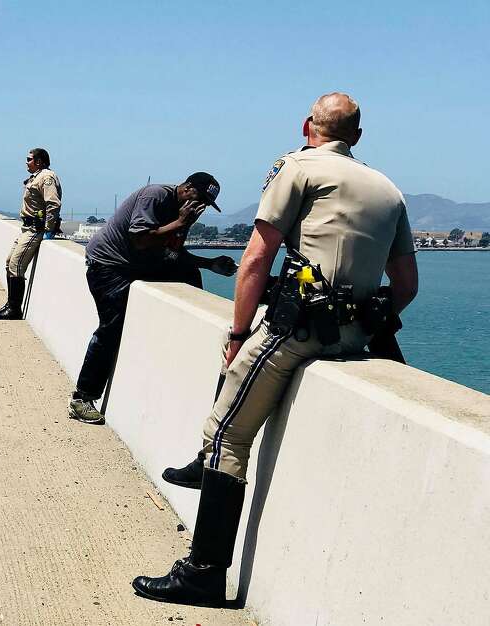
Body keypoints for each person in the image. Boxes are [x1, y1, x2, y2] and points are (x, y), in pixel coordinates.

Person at [132, 93, 419, 607]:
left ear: (307, 126)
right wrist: (355, 323)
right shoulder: (389, 189)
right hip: (353, 338)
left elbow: (256, 258)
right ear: (356, 136)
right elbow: (406, 285)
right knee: (230, 416)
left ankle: (202, 573)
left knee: (225, 434)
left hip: (296, 332)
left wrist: (238, 333)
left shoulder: (297, 168)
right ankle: (203, 479)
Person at [68, 174, 238, 425]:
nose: (200, 206)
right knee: (111, 327)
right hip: (108, 265)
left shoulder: (183, 214)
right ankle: (82, 397)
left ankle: (191, 342)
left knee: (189, 273)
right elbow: (139, 238)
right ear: (186, 188)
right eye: (199, 198)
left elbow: (173, 253)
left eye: (205, 204)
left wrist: (209, 264)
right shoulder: (155, 196)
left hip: (135, 265)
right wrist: (180, 222)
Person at [0, 148, 62, 320]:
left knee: (16, 265)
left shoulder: (47, 178)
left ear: (39, 161)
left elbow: (53, 204)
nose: (26, 162)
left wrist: (48, 229)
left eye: (29, 159)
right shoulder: (36, 177)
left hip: (35, 230)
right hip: (26, 228)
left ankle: (15, 309)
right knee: (9, 263)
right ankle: (10, 304)